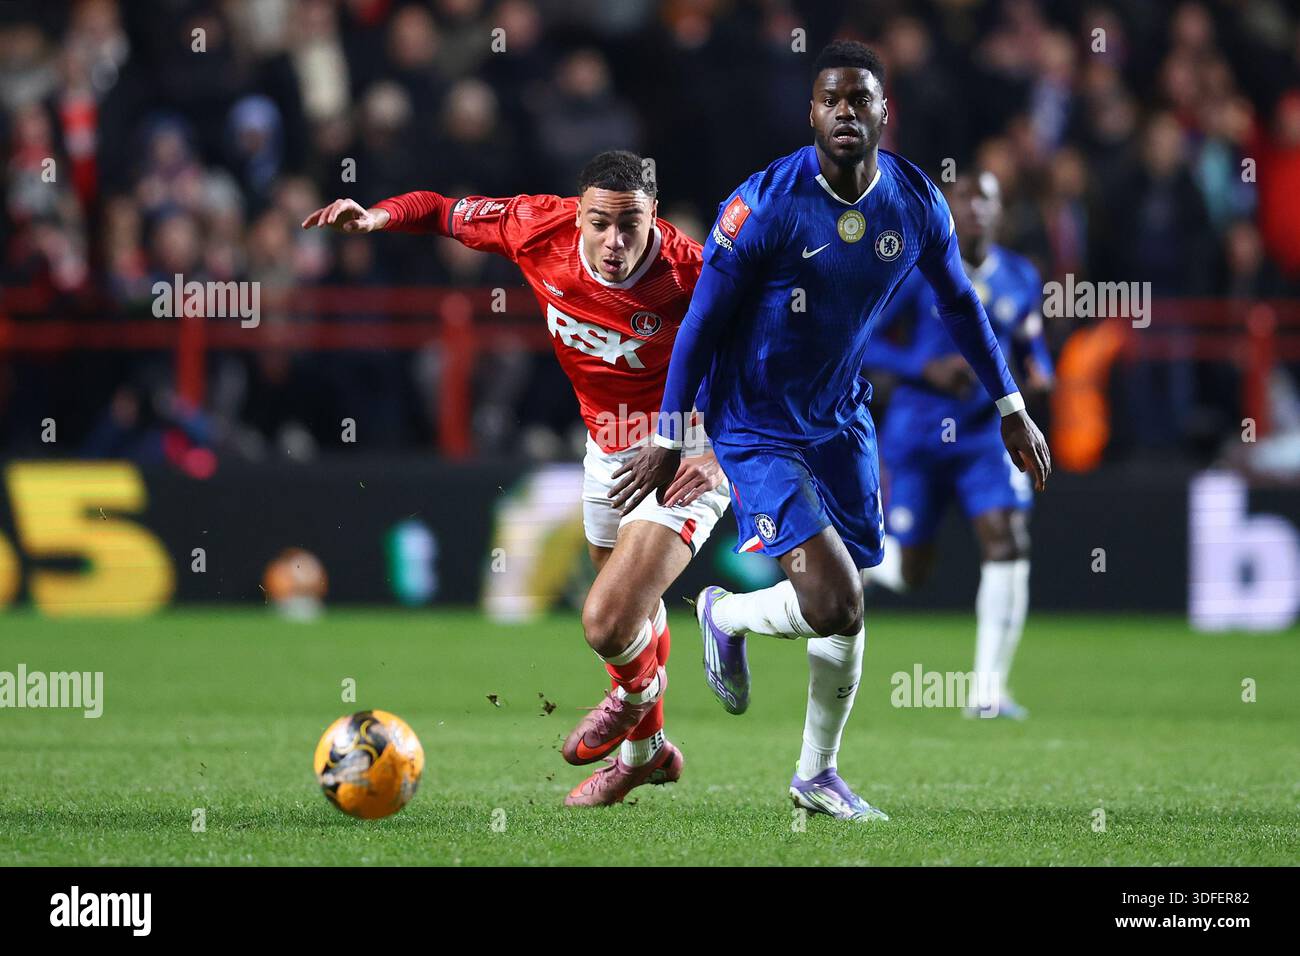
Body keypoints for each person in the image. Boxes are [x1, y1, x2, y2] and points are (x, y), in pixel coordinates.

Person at [609, 41, 1051, 821]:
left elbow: (961, 307)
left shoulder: (915, 203)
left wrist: (1011, 404)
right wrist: (675, 431)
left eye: (861, 99)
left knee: (848, 598)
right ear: (811, 113)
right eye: (831, 100)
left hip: (842, 418)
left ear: (887, 113)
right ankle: (807, 757)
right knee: (840, 603)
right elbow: (700, 327)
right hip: (755, 421)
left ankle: (744, 644)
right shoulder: (764, 203)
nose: (846, 112)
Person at [302, 150, 730, 806]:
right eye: (599, 223)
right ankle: (646, 753)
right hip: (607, 448)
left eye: (631, 225)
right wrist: (378, 217)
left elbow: (777, 358)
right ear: (577, 214)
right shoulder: (535, 225)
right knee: (628, 614)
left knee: (606, 623)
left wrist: (721, 453)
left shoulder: (694, 272)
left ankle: (633, 699)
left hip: (687, 448)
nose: (614, 242)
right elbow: (441, 212)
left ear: (654, 215)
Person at [862, 170, 1054, 719]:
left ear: (1000, 211)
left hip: (986, 435)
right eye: (965, 201)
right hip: (917, 434)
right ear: (949, 212)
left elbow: (1031, 343)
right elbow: (867, 338)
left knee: (1007, 537)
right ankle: (876, 565)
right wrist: (922, 366)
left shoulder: (1020, 274)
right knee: (912, 572)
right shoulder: (920, 269)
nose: (975, 210)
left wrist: (1041, 371)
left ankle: (988, 692)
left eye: (985, 201)